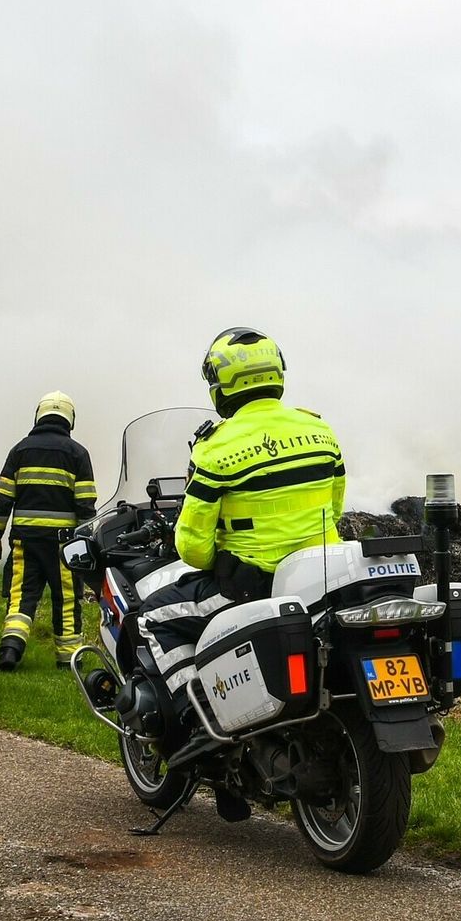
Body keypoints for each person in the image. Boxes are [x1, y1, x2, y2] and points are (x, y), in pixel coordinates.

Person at [137, 328, 345, 789]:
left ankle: (201, 718)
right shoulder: (321, 431)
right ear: (276, 371)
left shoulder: (217, 449)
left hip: (252, 585)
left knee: (153, 617)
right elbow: (336, 507)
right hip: (320, 580)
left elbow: (190, 546)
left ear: (222, 384)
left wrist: (223, 555)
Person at [0, 392, 97, 671]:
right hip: (63, 544)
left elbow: (4, 500)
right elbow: (85, 505)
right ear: (69, 418)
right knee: (67, 599)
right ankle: (69, 660)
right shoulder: (78, 453)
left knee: (21, 596)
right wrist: (88, 544)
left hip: (25, 540)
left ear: (39, 415)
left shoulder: (20, 450)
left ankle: (10, 649)